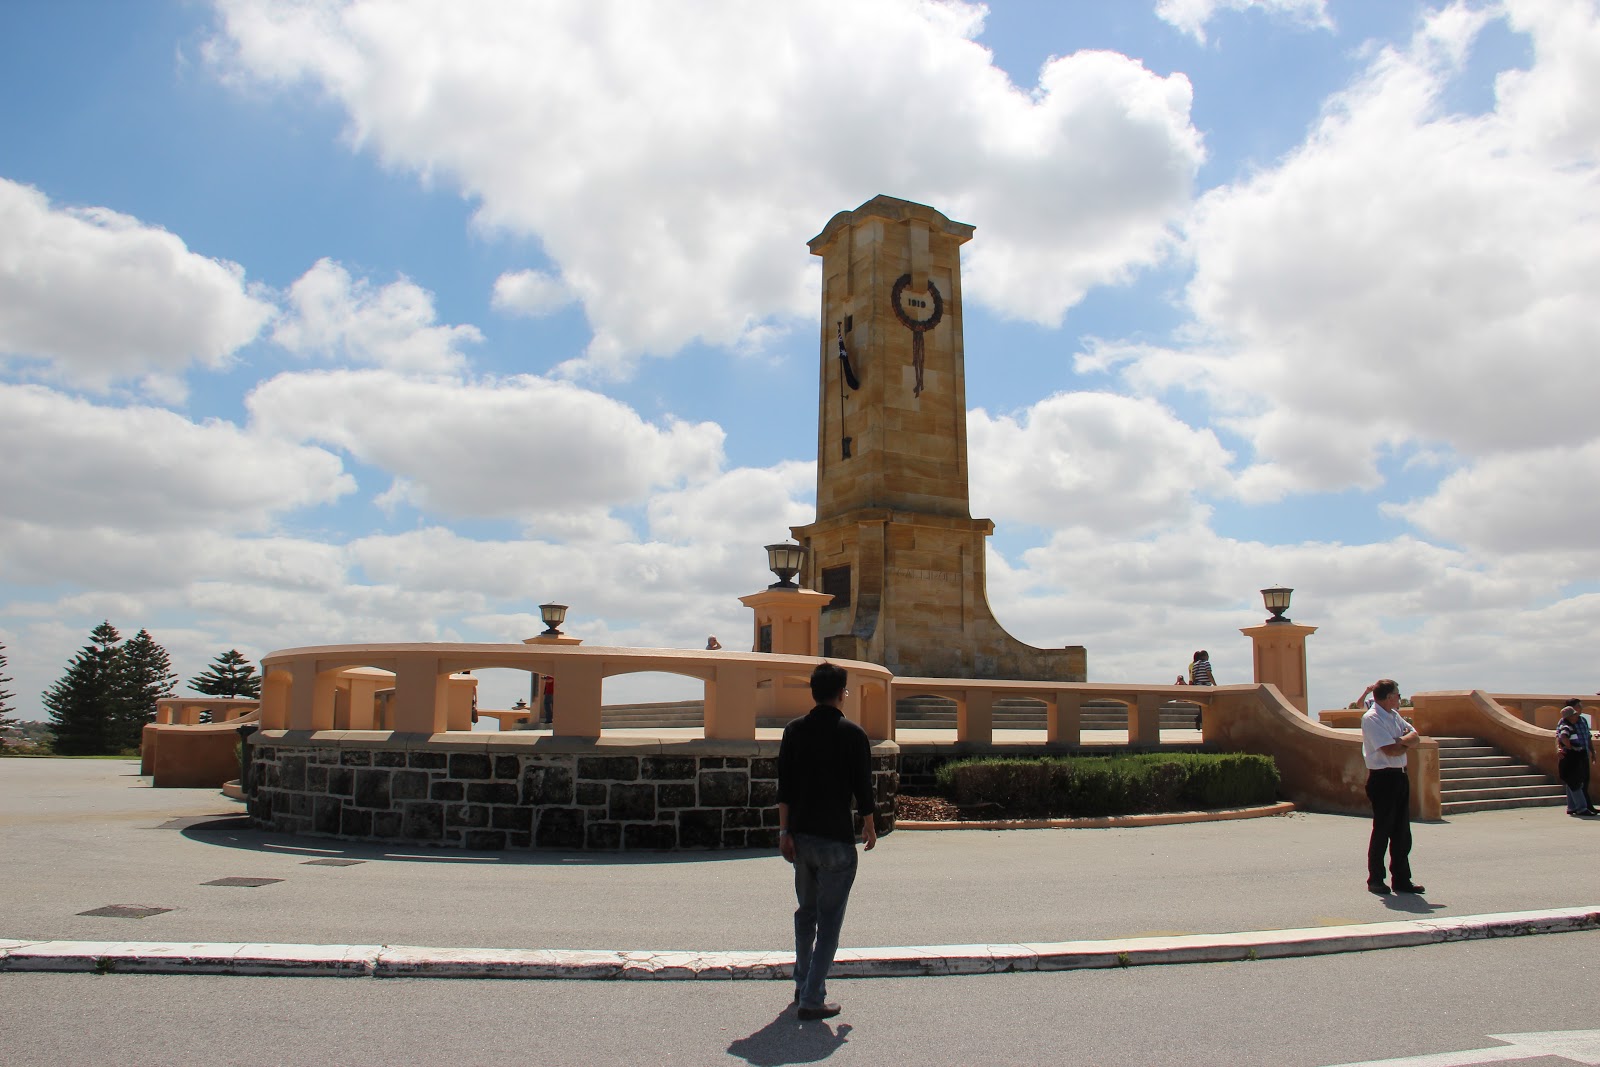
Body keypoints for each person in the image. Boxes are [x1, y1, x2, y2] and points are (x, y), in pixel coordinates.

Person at [777, 661, 877, 1022]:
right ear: (841, 694)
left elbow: (785, 787)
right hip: (835, 840)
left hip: (801, 839)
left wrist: (784, 832)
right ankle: (812, 997)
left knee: (806, 913)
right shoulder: (853, 734)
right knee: (830, 921)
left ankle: (802, 982)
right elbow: (863, 788)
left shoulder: (794, 731)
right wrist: (869, 826)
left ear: (813, 693)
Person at [1359, 679, 1425, 895]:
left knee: (1402, 831)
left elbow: (1415, 736)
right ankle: (1376, 879)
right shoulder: (1372, 718)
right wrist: (1403, 743)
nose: (1399, 698)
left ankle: (1402, 879)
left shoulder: (1394, 715)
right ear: (1388, 697)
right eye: (1397, 694)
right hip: (1382, 778)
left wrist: (1400, 742)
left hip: (1400, 776)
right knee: (1383, 830)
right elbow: (1389, 749)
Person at [1556, 699, 1596, 816]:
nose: (1581, 708)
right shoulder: (1565, 724)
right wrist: (1568, 747)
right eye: (1578, 706)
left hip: (1582, 754)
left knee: (1579, 781)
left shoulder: (1582, 720)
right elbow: (1560, 736)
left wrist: (1592, 751)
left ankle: (1573, 806)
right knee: (1575, 781)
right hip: (1572, 756)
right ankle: (1582, 808)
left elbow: (1588, 737)